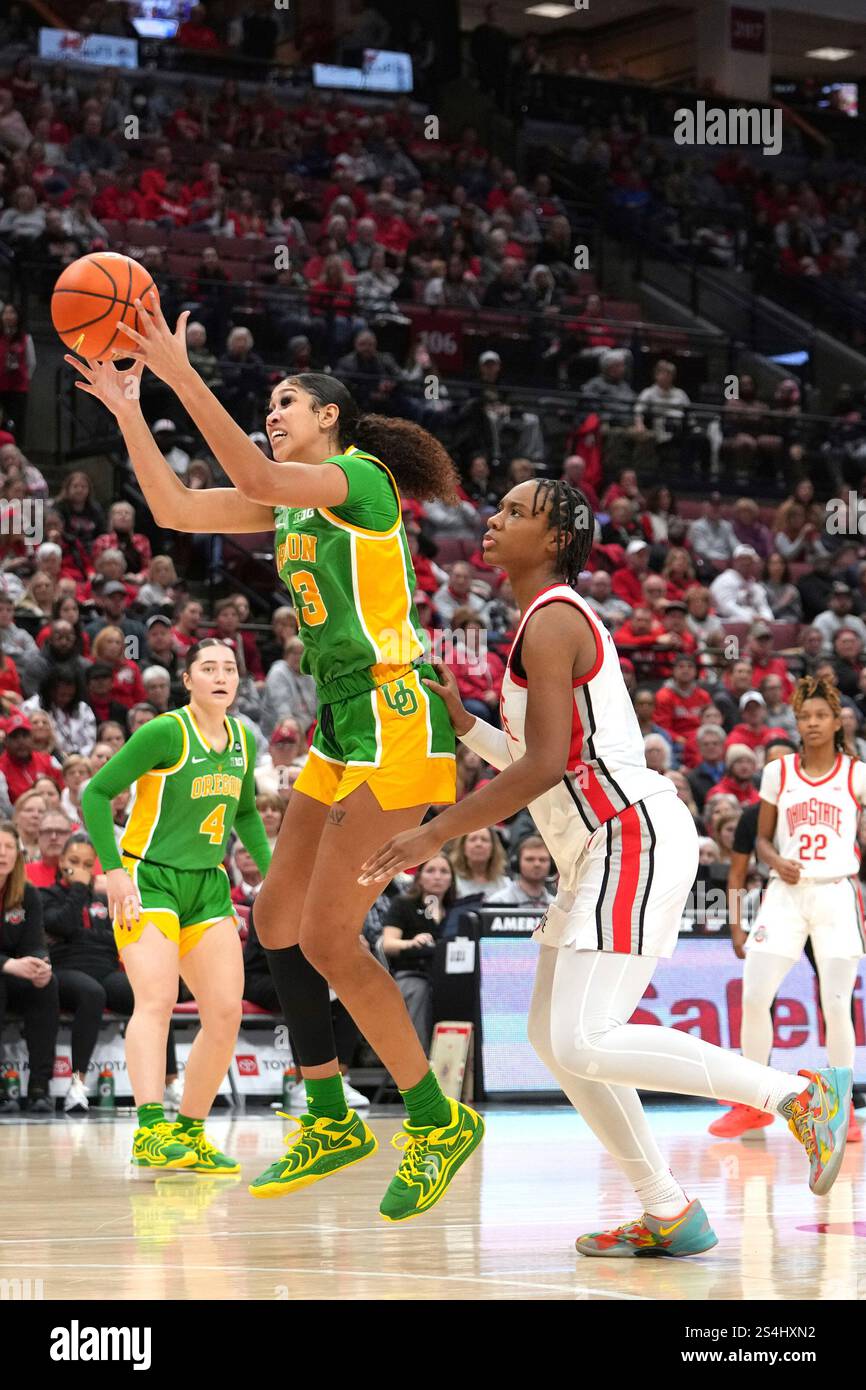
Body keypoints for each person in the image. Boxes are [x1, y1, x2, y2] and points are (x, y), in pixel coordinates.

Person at [361, 478, 852, 1257]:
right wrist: (466, 726)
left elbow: (547, 764)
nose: (494, 519)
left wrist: (437, 833)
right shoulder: (542, 622)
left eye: (516, 512)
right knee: (557, 1040)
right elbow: (542, 758)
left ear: (554, 540)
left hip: (631, 836)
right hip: (599, 843)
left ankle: (798, 1095)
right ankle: (669, 1211)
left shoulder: (553, 618)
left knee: (585, 1037)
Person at [67, 309, 481, 1222]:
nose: (273, 414)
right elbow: (178, 509)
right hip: (340, 726)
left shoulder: (361, 481)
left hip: (395, 715)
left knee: (331, 938)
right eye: (269, 405)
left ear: (330, 418)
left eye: (286, 401)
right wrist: (132, 409)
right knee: (277, 920)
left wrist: (181, 368)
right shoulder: (294, 501)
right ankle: (329, 1114)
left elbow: (250, 469)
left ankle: (435, 1117)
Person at [81, 638, 272, 1173]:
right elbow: (96, 794)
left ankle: (189, 1132)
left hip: (208, 884)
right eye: (207, 668)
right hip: (149, 879)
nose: (220, 676)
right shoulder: (166, 731)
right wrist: (113, 873)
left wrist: (271, 872)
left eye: (229, 669)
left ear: (238, 681)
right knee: (158, 999)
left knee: (225, 1012)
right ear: (187, 680)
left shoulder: (242, 739)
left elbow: (247, 813)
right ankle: (148, 1129)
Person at [721, 678, 865, 1142]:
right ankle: (754, 1101)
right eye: (805, 717)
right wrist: (775, 859)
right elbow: (759, 838)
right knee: (754, 993)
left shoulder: (855, 773)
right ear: (798, 722)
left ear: (837, 719)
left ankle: (838, 1107)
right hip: (785, 894)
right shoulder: (778, 773)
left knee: (837, 1003)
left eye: (822, 715)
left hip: (836, 893)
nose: (813, 723)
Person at [41, 831, 178, 1114]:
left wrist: (79, 936)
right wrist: (79, 890)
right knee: (92, 993)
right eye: (74, 861)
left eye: (88, 864)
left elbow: (117, 937)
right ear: (61, 862)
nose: (81, 869)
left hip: (105, 970)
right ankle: (77, 1084)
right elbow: (62, 925)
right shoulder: (47, 895)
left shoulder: (105, 899)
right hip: (67, 971)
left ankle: (171, 1081)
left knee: (153, 994)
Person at [0, 819, 58, 1113]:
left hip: (16, 970)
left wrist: (40, 964)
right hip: (5, 971)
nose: (3, 853)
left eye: (9, 847)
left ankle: (39, 1087)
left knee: (47, 984)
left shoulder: (28, 893)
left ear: (18, 854)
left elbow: (35, 941)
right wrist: (9, 964)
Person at [382, 854, 456, 1050]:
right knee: (420, 990)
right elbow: (388, 944)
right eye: (431, 871)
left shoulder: (458, 908)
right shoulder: (404, 904)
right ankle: (419, 1061)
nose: (438, 876)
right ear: (419, 876)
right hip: (412, 974)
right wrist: (412, 943)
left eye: (444, 871)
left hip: (450, 977)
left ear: (452, 879)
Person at [486, 835, 553, 907]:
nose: (537, 864)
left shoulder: (557, 906)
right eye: (530, 859)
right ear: (517, 863)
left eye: (542, 860)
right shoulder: (498, 902)